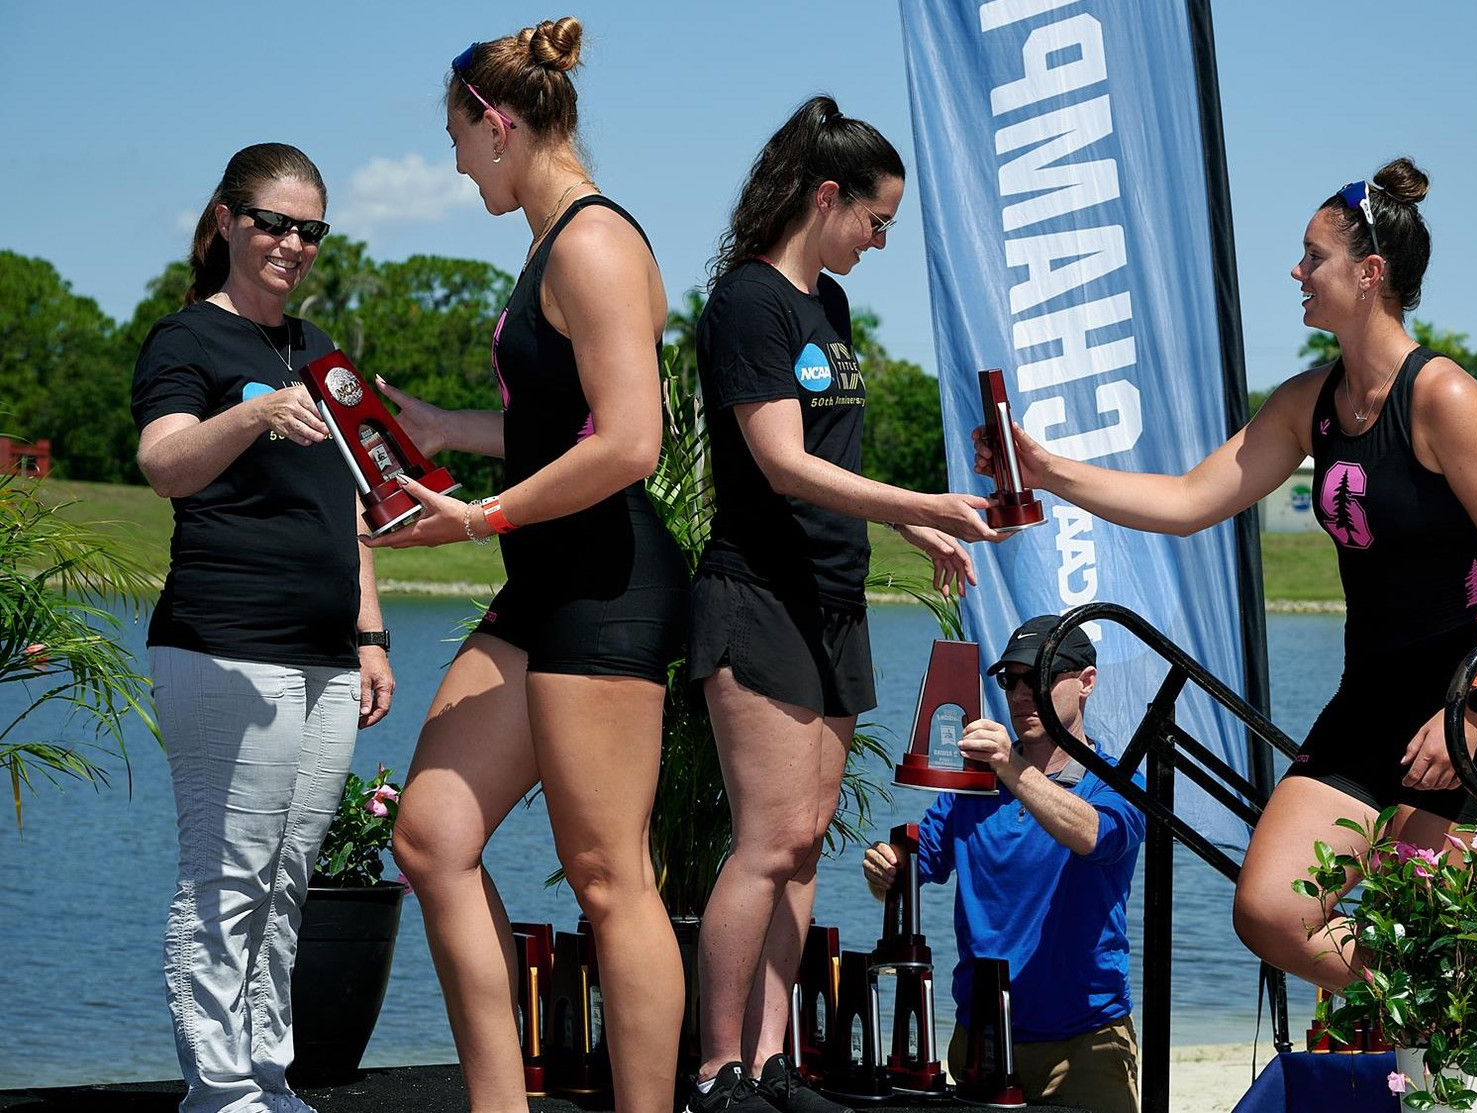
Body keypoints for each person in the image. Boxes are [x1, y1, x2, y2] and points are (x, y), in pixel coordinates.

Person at [976, 158, 1477, 989]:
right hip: (1373, 693)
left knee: (1428, 914)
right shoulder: (1307, 401)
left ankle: (1459, 993)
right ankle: (1447, 989)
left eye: (1312, 256)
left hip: (1473, 695)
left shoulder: (1444, 397)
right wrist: (1044, 468)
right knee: (1272, 911)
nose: (1296, 272)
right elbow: (1185, 498)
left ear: (1370, 273)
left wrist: (1467, 710)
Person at [365, 18, 689, 1113]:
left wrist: (476, 520)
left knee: (609, 881)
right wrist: (449, 428)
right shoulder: (552, 242)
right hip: (547, 580)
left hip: (606, 584)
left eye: (457, 138)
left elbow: (632, 442)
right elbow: (565, 427)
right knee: (431, 837)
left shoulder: (594, 242)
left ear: (498, 126)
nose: (454, 163)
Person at [685, 95, 1002, 1113]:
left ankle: (776, 1064)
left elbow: (828, 462)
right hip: (758, 597)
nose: (879, 241)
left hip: (832, 597)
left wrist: (911, 529)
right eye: (876, 221)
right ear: (827, 197)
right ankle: (716, 1070)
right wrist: (924, 497)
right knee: (767, 840)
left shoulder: (831, 308)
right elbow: (778, 464)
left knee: (808, 841)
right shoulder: (749, 304)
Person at [132, 141, 395, 1113]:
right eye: (274, 223)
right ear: (226, 223)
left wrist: (369, 635)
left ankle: (268, 1079)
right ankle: (217, 1090)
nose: (292, 243)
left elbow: (356, 505)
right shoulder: (186, 341)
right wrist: (254, 417)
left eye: (310, 230)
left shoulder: (322, 353)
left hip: (327, 657)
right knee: (226, 878)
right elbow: (164, 462)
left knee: (288, 883)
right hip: (219, 645)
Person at [862, 616, 1146, 1113]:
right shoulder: (973, 787)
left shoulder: (1117, 781)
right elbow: (911, 870)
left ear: (1087, 682)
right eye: (1010, 680)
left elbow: (1093, 835)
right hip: (981, 1038)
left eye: (1038, 677)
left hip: (1084, 1043)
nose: (1020, 693)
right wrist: (885, 871)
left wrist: (1011, 770)